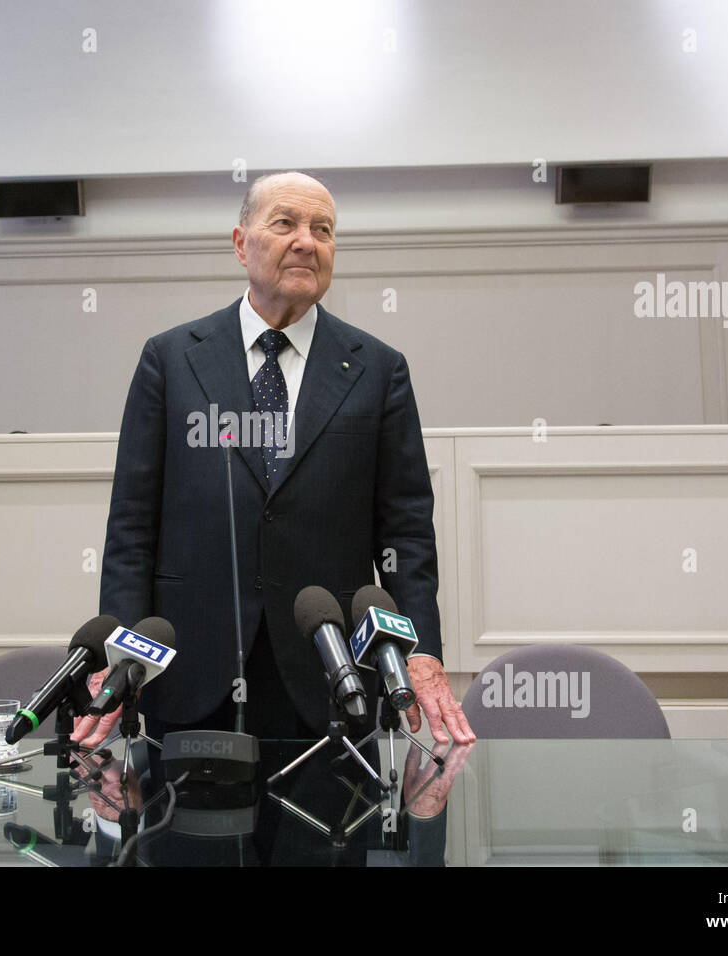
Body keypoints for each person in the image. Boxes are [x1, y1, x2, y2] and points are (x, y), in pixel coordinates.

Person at [74, 172, 474, 746]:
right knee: (182, 837)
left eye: (323, 229)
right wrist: (122, 658)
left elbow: (407, 532)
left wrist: (423, 653)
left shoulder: (379, 370)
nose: (307, 241)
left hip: (331, 677)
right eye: (285, 223)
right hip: (189, 672)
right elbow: (132, 525)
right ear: (241, 244)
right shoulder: (170, 359)